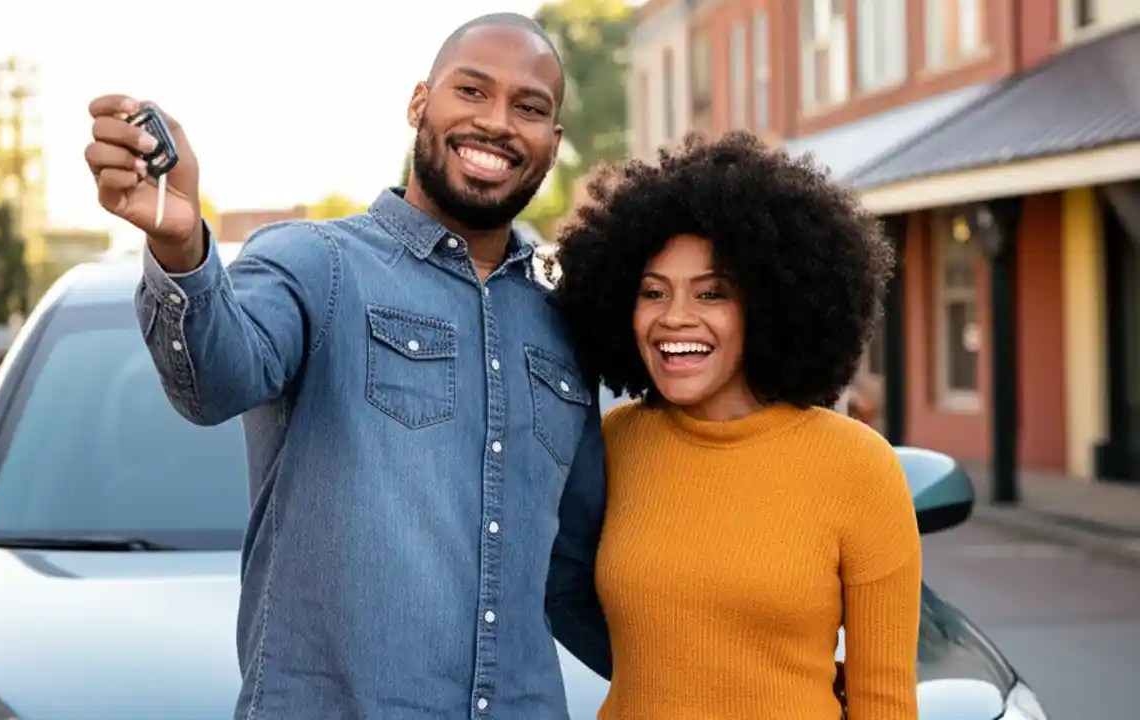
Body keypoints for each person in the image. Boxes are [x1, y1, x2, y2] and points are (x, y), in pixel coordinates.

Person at [83, 12, 611, 719]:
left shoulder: (564, 321)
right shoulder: (315, 265)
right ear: (420, 102)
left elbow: (577, 576)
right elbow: (215, 381)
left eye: (530, 107)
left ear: (553, 140)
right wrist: (182, 246)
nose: (497, 122)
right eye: (472, 92)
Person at [549, 132, 921, 719]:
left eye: (712, 293)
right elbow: (562, 594)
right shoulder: (615, 443)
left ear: (769, 303)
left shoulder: (857, 465)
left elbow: (885, 704)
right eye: (653, 292)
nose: (675, 318)